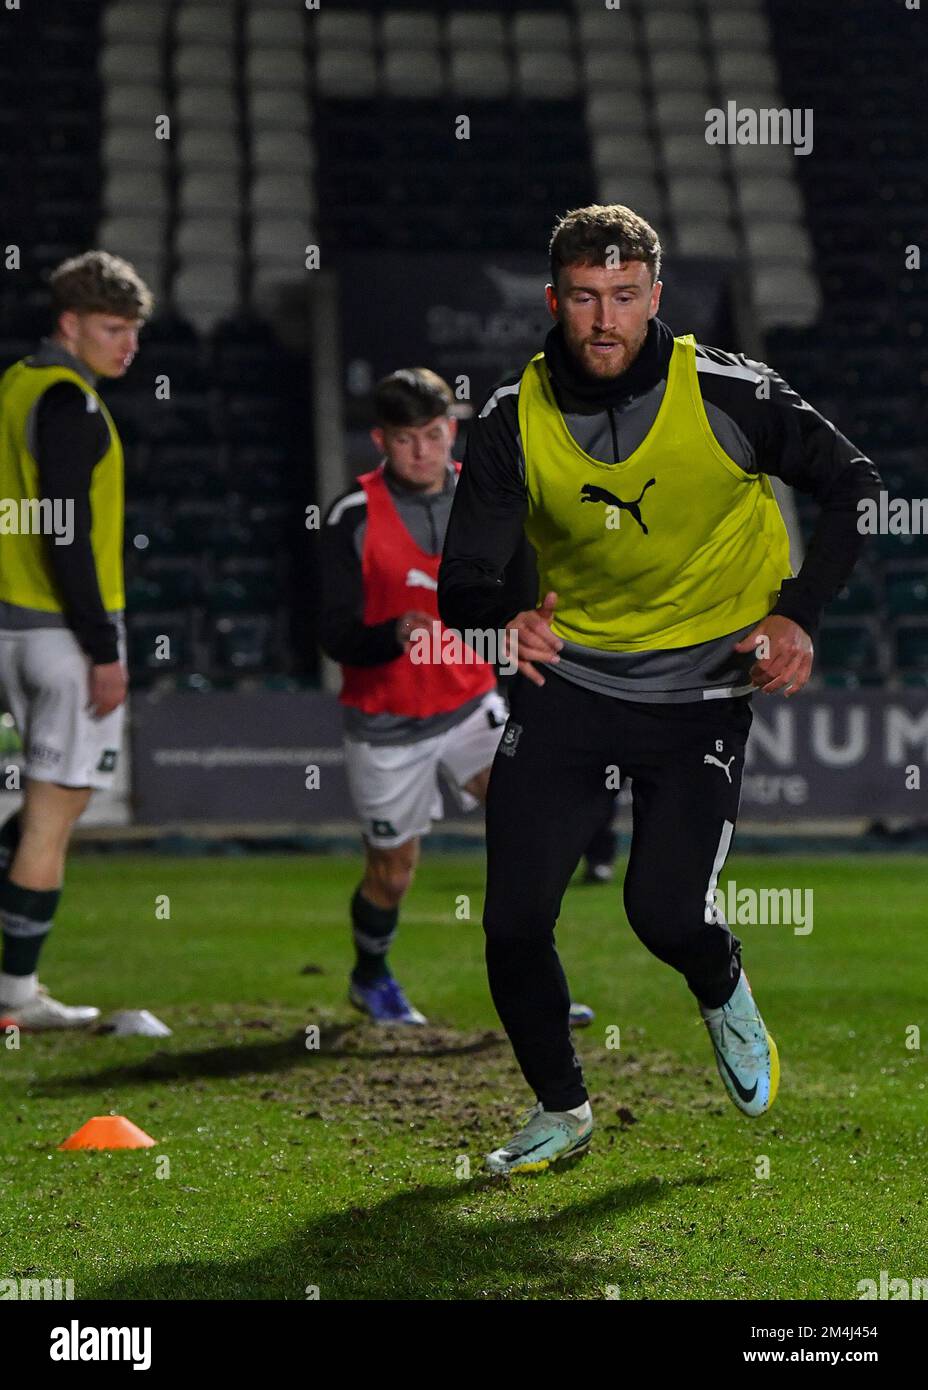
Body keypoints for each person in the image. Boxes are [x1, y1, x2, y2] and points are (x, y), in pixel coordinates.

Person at [438, 203, 882, 1174]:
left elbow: (855, 484)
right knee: (512, 920)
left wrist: (798, 612)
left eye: (625, 297)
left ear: (655, 298)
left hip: (703, 688)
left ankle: (721, 980)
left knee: (664, 913)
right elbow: (463, 575)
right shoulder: (513, 417)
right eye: (586, 298)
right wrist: (498, 618)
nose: (605, 320)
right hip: (572, 686)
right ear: (554, 300)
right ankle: (561, 1109)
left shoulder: (729, 390)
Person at [320, 367, 594, 1027]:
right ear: (381, 441)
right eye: (408, 438)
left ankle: (535, 986)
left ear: (454, 430)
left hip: (471, 707)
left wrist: (529, 630)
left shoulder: (490, 492)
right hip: (386, 722)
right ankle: (370, 972)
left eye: (436, 434)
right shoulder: (350, 516)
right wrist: (392, 633)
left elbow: (521, 595)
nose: (424, 451)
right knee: (392, 874)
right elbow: (331, 634)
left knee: (529, 822)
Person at [0, 250, 151, 1029]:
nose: (126, 345)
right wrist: (102, 648)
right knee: (55, 812)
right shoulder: (73, 405)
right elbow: (67, 535)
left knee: (38, 808)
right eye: (111, 328)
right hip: (61, 637)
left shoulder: (14, 387)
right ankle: (18, 994)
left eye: (132, 331)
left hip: (11, 627)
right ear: (70, 324)